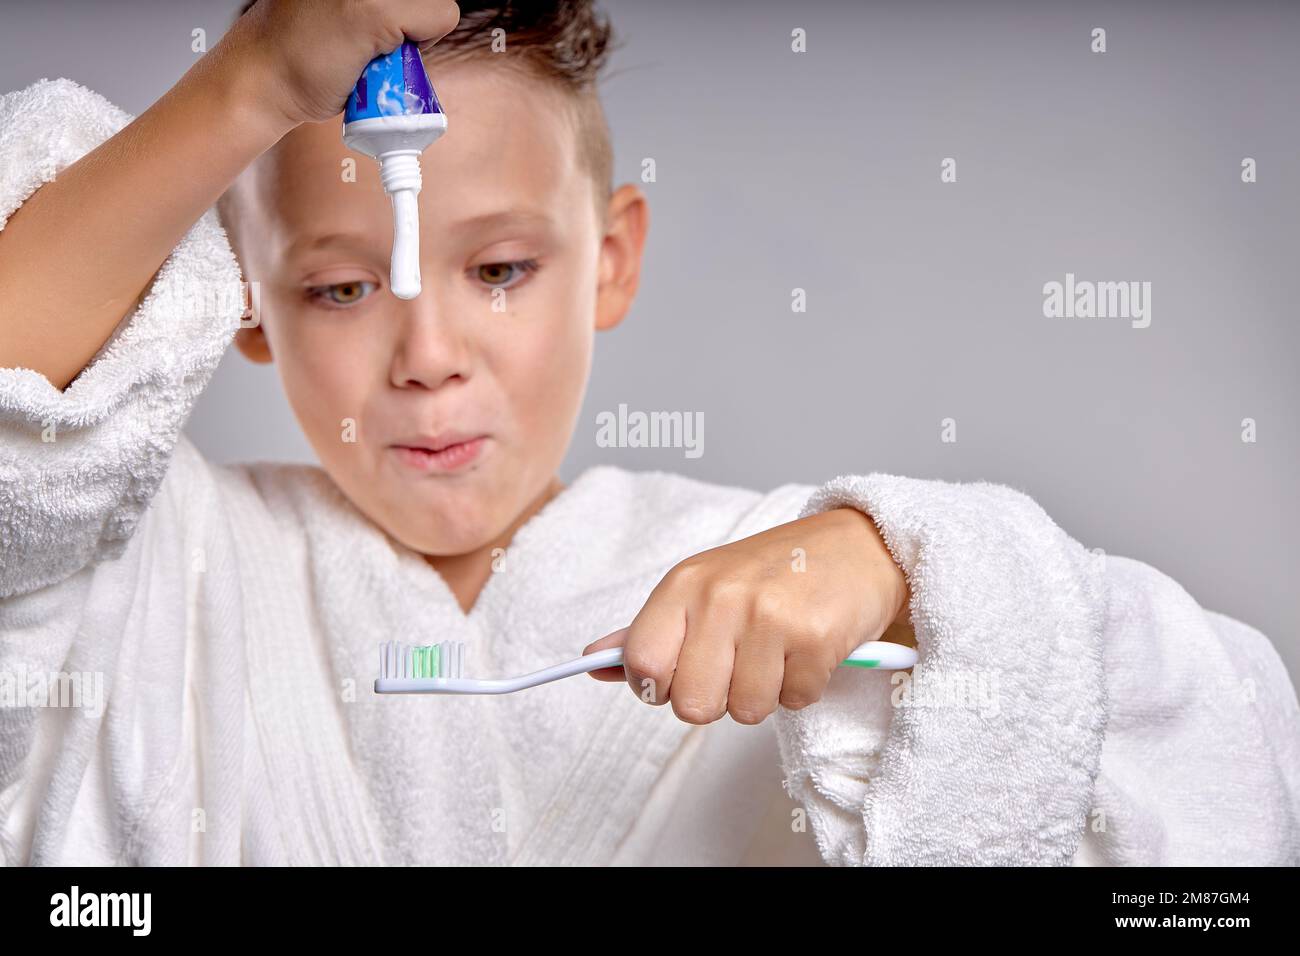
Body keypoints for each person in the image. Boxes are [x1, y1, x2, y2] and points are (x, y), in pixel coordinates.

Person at [0, 0, 1295, 865]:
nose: (429, 356)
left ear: (611, 261)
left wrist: (901, 571)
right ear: (243, 305)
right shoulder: (156, 578)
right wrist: (245, 88)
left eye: (500, 268)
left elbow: (1228, 767)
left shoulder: (786, 579)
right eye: (341, 289)